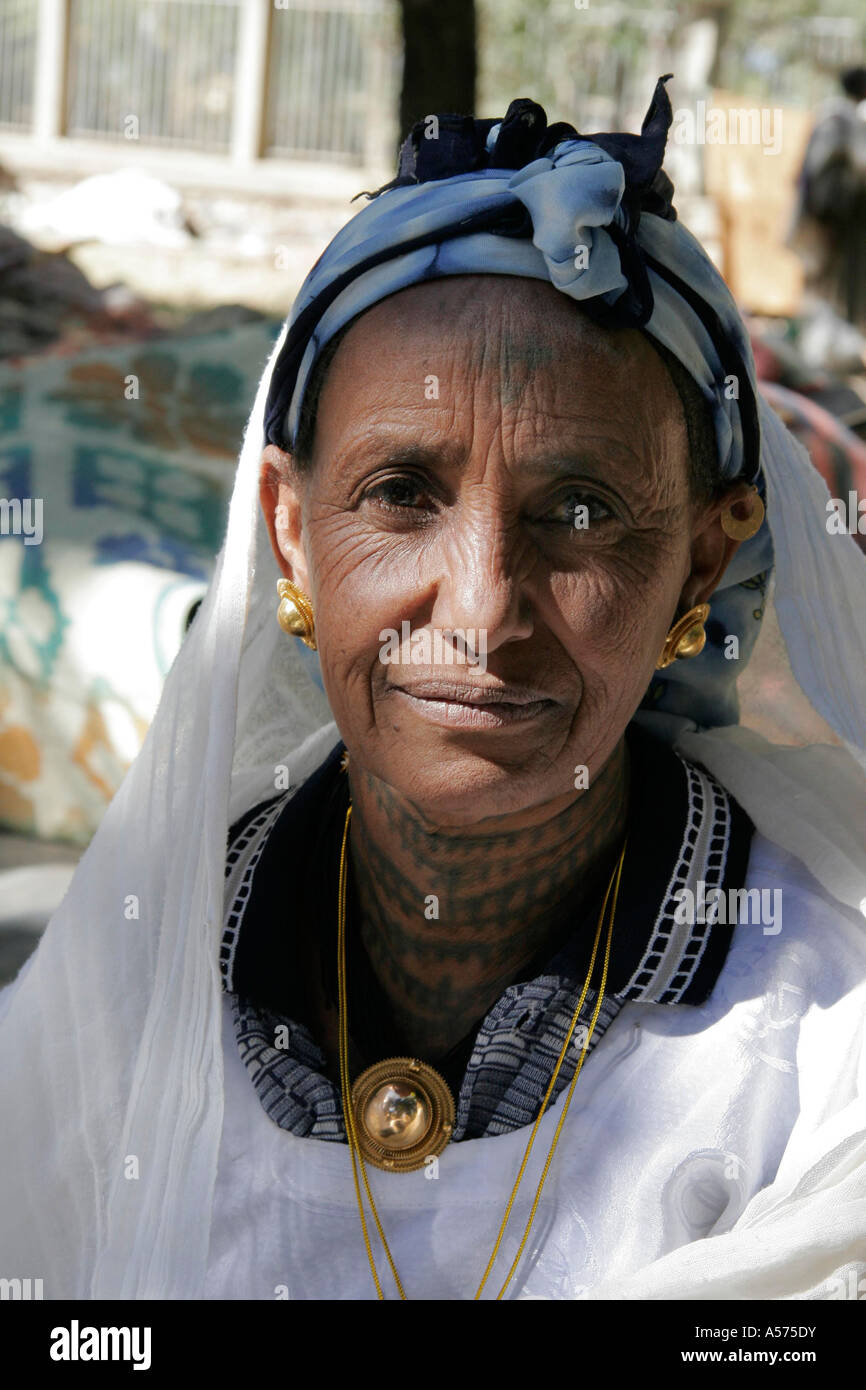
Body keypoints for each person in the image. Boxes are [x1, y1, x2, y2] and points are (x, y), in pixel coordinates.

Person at [1, 78, 865, 1301]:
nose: (479, 612)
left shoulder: (823, 1047)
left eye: (578, 512)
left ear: (701, 559)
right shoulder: (127, 985)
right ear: (289, 533)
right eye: (401, 493)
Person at [789, 66, 866, 334]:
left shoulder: (834, 115)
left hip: (828, 215)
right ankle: (810, 340)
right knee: (819, 281)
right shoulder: (842, 120)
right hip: (829, 215)